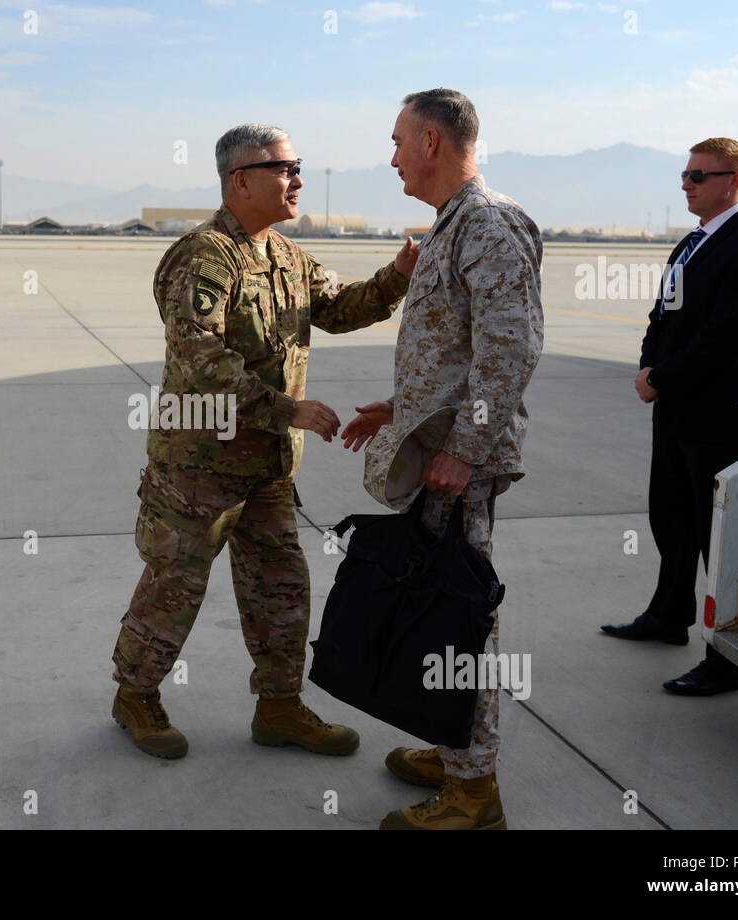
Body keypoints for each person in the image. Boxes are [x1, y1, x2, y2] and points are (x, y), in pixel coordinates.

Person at [110, 123, 420, 759]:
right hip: (198, 469)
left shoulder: (286, 255)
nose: (298, 178)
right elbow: (200, 357)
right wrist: (286, 408)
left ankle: (279, 707)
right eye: (285, 168)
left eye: (298, 166)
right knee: (176, 585)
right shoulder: (205, 256)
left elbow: (337, 308)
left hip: (266, 468)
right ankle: (135, 694)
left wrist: (397, 275)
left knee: (282, 586)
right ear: (240, 180)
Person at [341, 89, 544, 830]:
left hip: (460, 465)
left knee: (458, 619)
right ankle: (451, 740)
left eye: (397, 139)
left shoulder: (485, 226)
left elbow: (509, 351)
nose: (390, 154)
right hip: (439, 453)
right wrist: (397, 410)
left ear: (431, 141)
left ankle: (472, 793)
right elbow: (456, 354)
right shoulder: (452, 226)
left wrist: (462, 449)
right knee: (436, 611)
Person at [601, 138, 738, 696]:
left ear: (734, 181)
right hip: (675, 410)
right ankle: (667, 616)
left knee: (717, 540)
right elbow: (662, 316)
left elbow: (725, 336)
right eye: (684, 174)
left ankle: (726, 659)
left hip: (717, 413)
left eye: (699, 176)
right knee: (672, 519)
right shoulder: (690, 244)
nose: (687, 184)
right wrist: (647, 365)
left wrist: (662, 378)